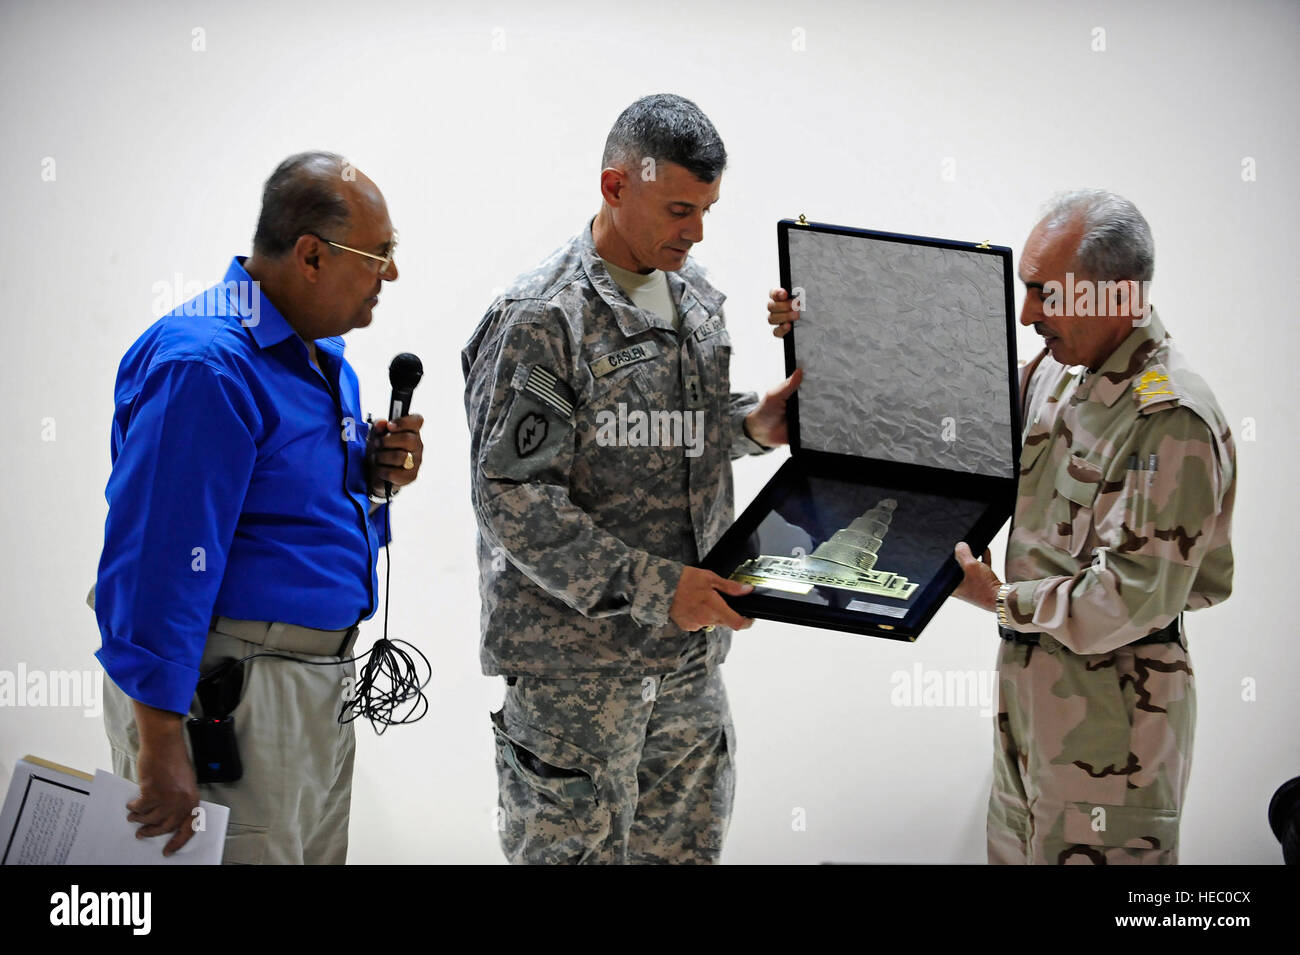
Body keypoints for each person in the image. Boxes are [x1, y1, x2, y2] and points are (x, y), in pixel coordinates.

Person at [772, 190, 1235, 863]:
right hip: (1026, 713)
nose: (1026, 315)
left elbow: (1133, 597)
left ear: (1110, 295)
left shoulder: (1169, 419)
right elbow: (942, 416)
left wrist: (999, 598)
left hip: (1115, 734)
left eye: (1044, 293)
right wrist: (821, 329)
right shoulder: (1056, 374)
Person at [463, 93, 800, 864]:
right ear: (616, 186)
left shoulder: (696, 301)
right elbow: (512, 497)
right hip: (579, 682)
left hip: (689, 670)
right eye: (680, 207)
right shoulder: (543, 316)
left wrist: (753, 425)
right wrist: (656, 587)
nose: (697, 230)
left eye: (708, 208)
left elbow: (675, 433)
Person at [90, 152, 424, 864]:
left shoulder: (321, 357)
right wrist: (160, 743)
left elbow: (278, 512)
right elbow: (156, 562)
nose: (390, 274)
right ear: (311, 255)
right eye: (380, 254)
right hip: (231, 696)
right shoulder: (206, 367)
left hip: (314, 693)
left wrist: (369, 475)